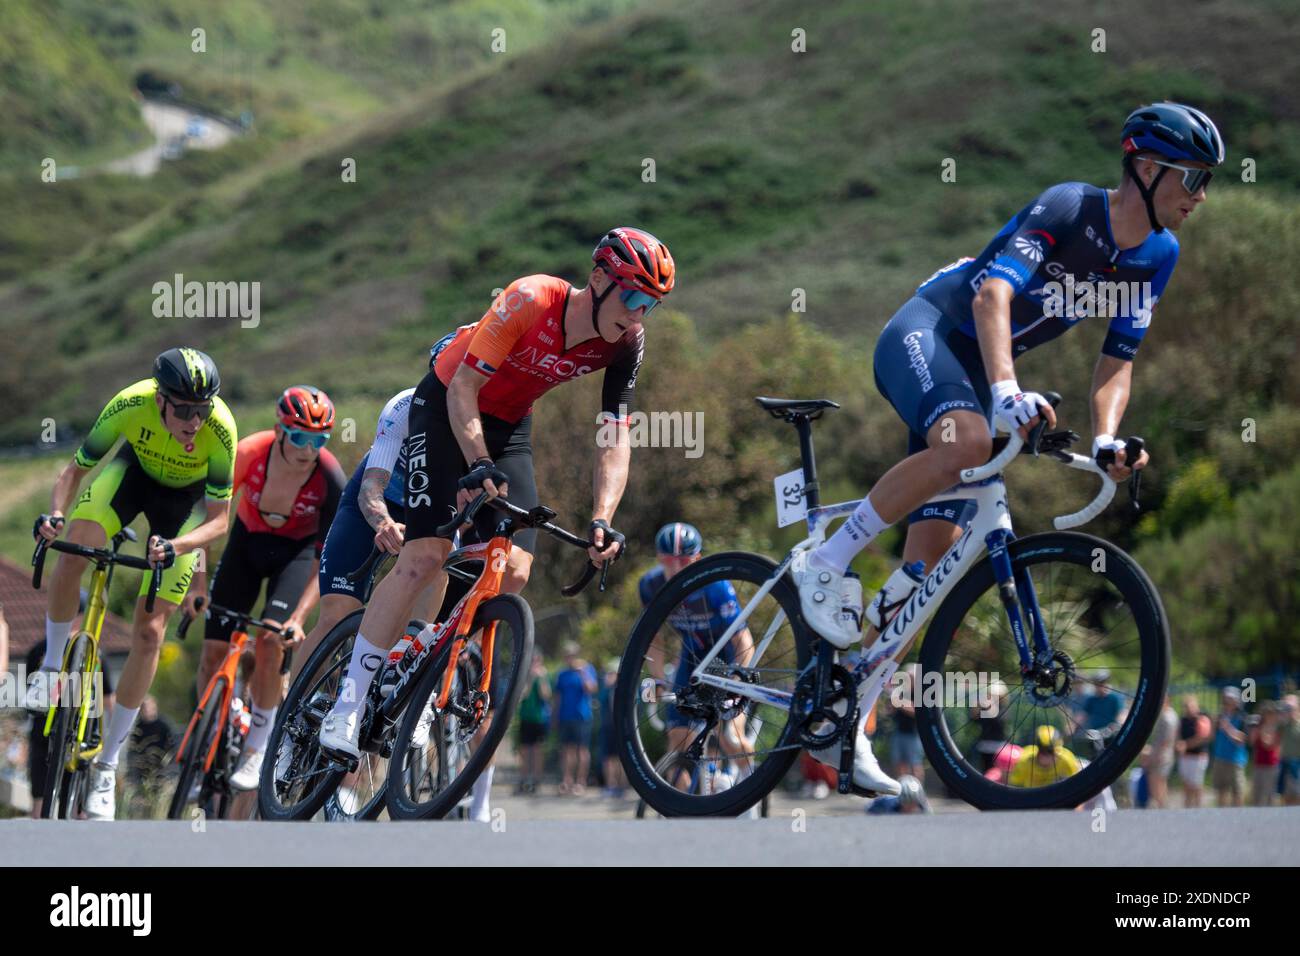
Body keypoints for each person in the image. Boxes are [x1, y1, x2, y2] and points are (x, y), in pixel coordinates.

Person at [787, 103, 1223, 796]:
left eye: (1206, 184)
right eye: (1193, 179)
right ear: (1146, 168)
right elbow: (992, 296)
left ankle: (848, 719)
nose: (1199, 198)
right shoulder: (1071, 207)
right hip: (932, 332)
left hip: (985, 372)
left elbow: (1118, 359)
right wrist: (1006, 392)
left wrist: (1108, 439)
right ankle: (825, 559)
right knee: (966, 438)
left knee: (919, 579)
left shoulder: (1157, 256)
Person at [319, 227, 674, 761]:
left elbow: (615, 435)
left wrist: (603, 517)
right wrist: (477, 462)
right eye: (633, 296)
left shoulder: (626, 340)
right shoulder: (530, 299)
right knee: (423, 556)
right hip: (447, 402)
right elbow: (463, 388)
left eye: (651, 304)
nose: (639, 312)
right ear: (598, 279)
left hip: (508, 423)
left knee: (515, 569)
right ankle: (348, 703)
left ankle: (422, 653)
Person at [29, 348, 236, 820]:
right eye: (183, 409)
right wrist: (56, 515)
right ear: (160, 400)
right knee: (76, 545)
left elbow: (219, 520)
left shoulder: (220, 428)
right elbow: (74, 472)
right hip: (132, 476)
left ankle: (105, 764)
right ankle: (50, 668)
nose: (194, 420)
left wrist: (182, 551)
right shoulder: (130, 403)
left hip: (182, 509)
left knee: (148, 633)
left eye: (201, 410)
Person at [198, 386, 345, 791]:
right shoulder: (248, 453)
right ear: (280, 431)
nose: (307, 448)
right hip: (244, 544)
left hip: (295, 556)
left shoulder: (329, 476)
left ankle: (257, 748)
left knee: (269, 641)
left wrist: (298, 619)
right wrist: (196, 583)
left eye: (319, 440)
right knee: (213, 651)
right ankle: (206, 739)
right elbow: (205, 525)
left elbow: (326, 556)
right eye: (300, 437)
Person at [638, 522, 756, 791]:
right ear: (659, 558)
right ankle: (680, 809)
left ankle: (752, 788)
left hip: (728, 656)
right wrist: (658, 681)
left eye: (684, 560)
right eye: (669, 560)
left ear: (698, 558)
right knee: (678, 740)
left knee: (731, 738)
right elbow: (654, 639)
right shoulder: (650, 585)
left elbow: (743, 639)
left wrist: (738, 675)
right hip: (694, 655)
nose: (676, 568)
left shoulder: (716, 586)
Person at [515, 656, 551, 794]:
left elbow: (546, 695)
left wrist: (541, 679)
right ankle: (523, 779)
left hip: (539, 719)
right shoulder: (525, 676)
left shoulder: (543, 676)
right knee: (524, 751)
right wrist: (530, 678)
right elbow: (523, 695)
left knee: (537, 751)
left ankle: (536, 780)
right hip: (526, 718)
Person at [1007, 725, 1081, 788]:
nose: (1046, 756)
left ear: (1058, 750)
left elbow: (1076, 789)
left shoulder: (1067, 761)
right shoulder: (1024, 760)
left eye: (1050, 751)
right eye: (1042, 751)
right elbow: (1014, 788)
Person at [1211, 686, 1248, 807]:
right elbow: (1212, 737)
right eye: (1225, 699)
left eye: (1229, 699)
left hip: (1235, 760)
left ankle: (1238, 816)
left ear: (1236, 701)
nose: (1226, 701)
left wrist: (1227, 728)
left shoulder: (1242, 718)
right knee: (1221, 790)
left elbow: (1241, 739)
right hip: (1220, 757)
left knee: (1237, 791)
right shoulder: (1221, 717)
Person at [1176, 694, 1212, 808]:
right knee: (1186, 785)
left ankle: (1198, 807)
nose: (1187, 708)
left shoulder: (1202, 719)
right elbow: (1178, 735)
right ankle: (1187, 808)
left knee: (1197, 785)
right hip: (1185, 757)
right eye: (1185, 706)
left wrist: (1185, 745)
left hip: (1198, 757)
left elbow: (1201, 737)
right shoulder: (1182, 720)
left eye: (1190, 706)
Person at [1141, 694, 1178, 808]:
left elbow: (1166, 740)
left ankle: (1161, 806)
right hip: (1163, 754)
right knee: (1160, 782)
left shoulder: (1168, 717)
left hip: (1162, 755)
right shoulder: (1168, 715)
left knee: (1156, 782)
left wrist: (1154, 755)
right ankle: (1162, 806)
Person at [597, 658, 625, 797]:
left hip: (620, 727)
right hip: (608, 726)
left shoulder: (625, 686)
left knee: (622, 757)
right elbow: (600, 700)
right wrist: (607, 686)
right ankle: (610, 785)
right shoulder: (606, 688)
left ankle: (621, 786)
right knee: (608, 757)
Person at [1248, 704, 1281, 808]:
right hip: (1258, 764)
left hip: (1270, 765)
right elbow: (1251, 742)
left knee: (1269, 793)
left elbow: (1268, 744)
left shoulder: (1276, 729)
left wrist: (1261, 731)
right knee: (1257, 793)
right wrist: (1254, 731)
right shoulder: (1258, 727)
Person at [865, 774, 932, 815]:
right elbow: (868, 810)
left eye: (913, 803)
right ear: (900, 801)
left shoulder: (924, 809)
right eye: (907, 803)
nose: (910, 808)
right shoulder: (887, 804)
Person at [1278, 695, 1300, 807]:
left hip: (1297, 764)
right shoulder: (1283, 725)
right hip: (1285, 762)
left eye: (1290, 708)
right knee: (1285, 795)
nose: (1288, 711)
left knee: (1297, 795)